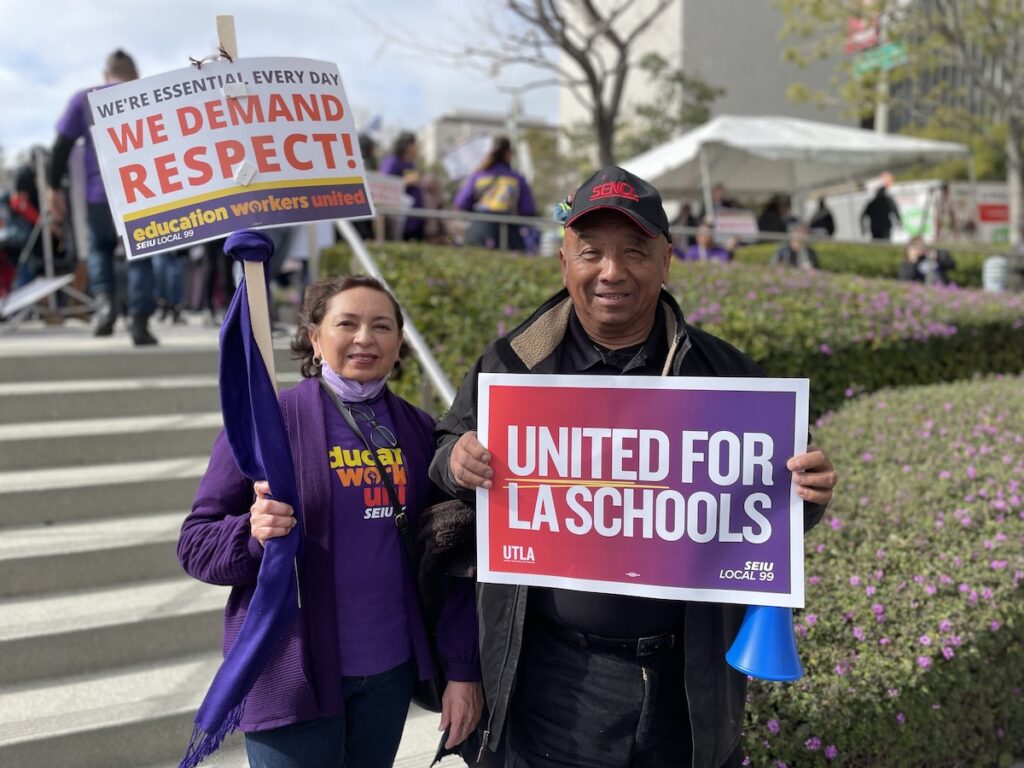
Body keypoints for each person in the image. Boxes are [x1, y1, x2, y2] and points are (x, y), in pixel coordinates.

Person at [428, 166, 837, 768]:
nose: (611, 272)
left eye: (634, 252)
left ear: (666, 261)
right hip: (553, 682)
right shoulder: (512, 365)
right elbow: (445, 450)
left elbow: (770, 515)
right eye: (591, 252)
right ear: (564, 261)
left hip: (686, 681)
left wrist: (810, 494)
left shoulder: (729, 378)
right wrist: (455, 462)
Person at [178, 275, 483, 767]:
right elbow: (195, 545)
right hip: (291, 673)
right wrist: (252, 534)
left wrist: (464, 668)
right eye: (348, 323)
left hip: (389, 674)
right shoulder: (270, 423)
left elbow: (454, 557)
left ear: (399, 342)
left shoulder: (421, 430)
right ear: (316, 338)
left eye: (382, 326)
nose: (366, 338)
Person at [46, 49, 157, 345]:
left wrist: (53, 188)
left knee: (100, 250)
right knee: (140, 256)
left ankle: (105, 307)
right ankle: (140, 324)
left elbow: (61, 148)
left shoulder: (84, 98)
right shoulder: (147, 95)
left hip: (99, 194)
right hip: (140, 193)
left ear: (106, 74)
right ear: (135, 74)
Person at [453, 136, 537, 251]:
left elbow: (461, 202)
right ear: (508, 154)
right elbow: (528, 209)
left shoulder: (478, 176)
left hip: (480, 229)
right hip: (509, 232)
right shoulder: (517, 178)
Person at [380, 132, 425, 242]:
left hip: (416, 220)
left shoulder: (412, 164)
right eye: (415, 145)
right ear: (407, 146)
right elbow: (383, 185)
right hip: (400, 222)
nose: (418, 148)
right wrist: (406, 181)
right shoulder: (392, 162)